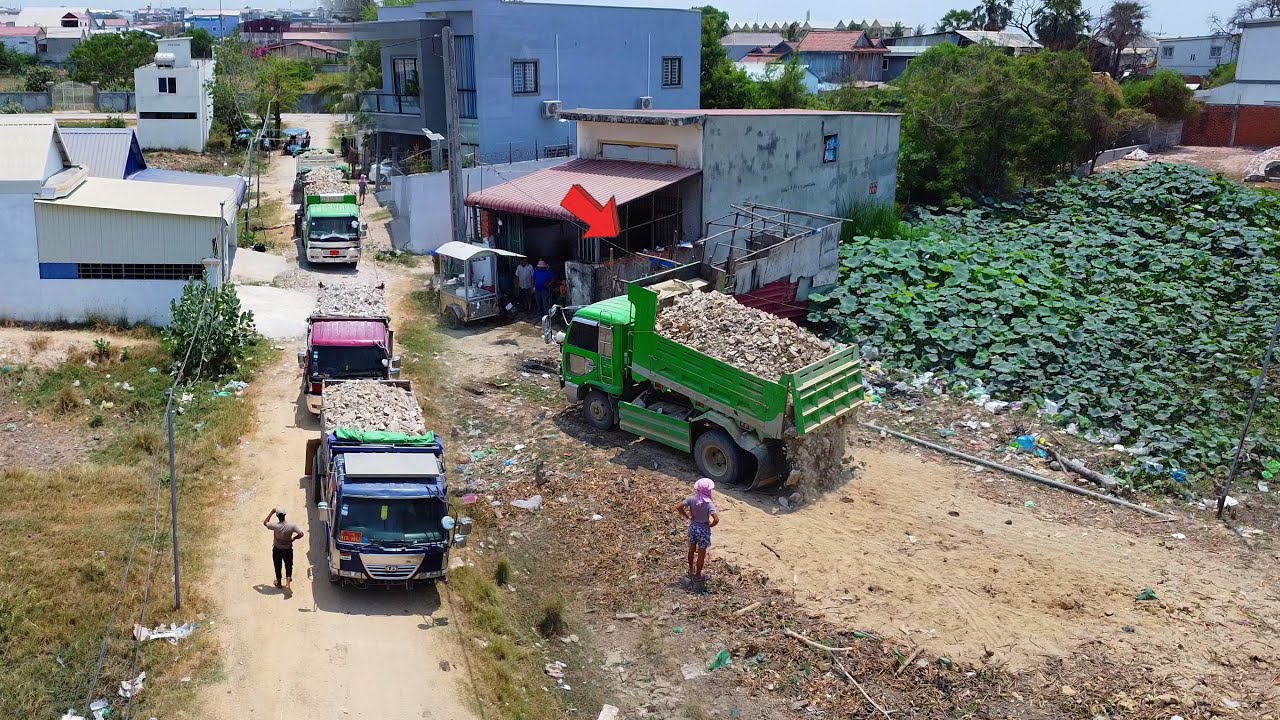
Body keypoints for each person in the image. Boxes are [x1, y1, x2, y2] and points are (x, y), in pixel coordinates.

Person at [675, 478, 719, 582]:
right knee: (701, 554)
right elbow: (716, 519)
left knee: (691, 549)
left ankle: (691, 570)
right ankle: (698, 575)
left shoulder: (691, 499)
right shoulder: (709, 504)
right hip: (704, 530)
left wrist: (687, 517)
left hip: (693, 527)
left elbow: (678, 507)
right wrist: (710, 525)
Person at [263, 507, 304, 591]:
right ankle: (288, 583)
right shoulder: (292, 526)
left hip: (277, 549)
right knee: (288, 565)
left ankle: (279, 583)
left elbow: (265, 522)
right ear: (285, 515)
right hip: (288, 549)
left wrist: (272, 512)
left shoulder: (275, 526)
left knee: (278, 566)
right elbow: (301, 534)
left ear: (277, 516)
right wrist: (294, 538)